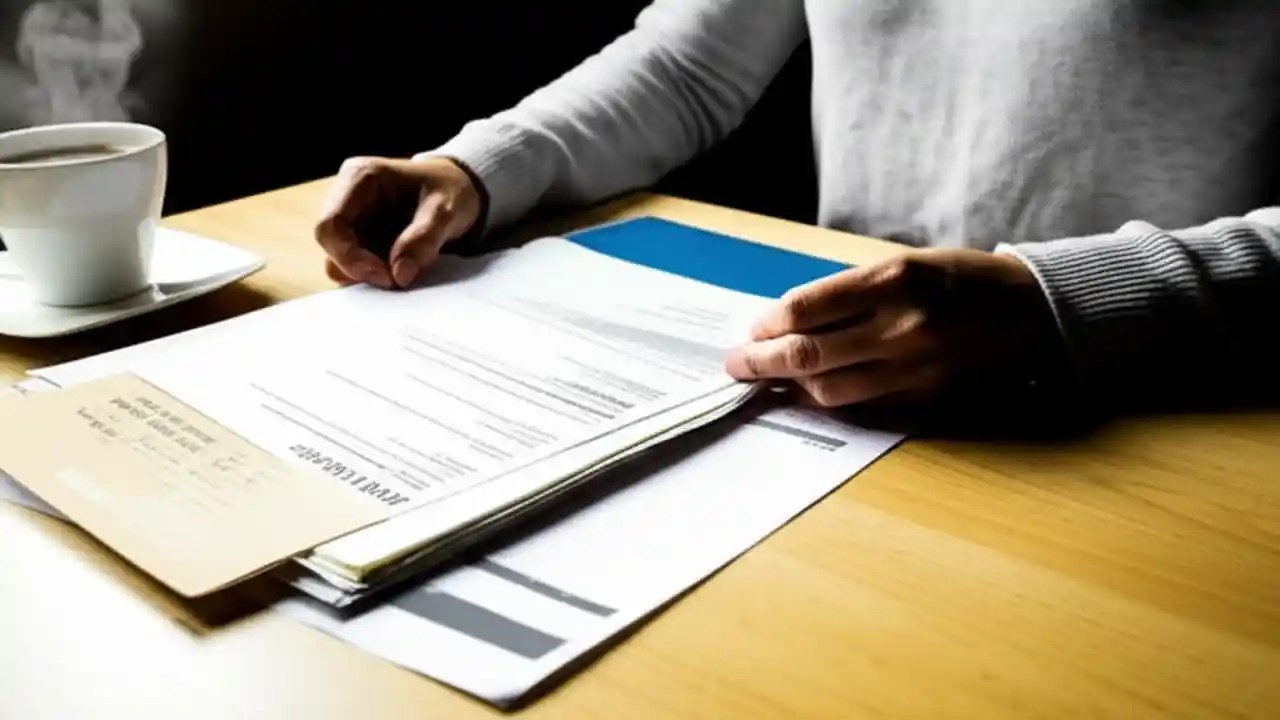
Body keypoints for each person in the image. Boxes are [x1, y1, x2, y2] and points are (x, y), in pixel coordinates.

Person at [314, 1, 1279, 410]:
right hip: (838, 373)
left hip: (1162, 397)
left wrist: (1058, 297)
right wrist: (479, 166)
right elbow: (690, 62)